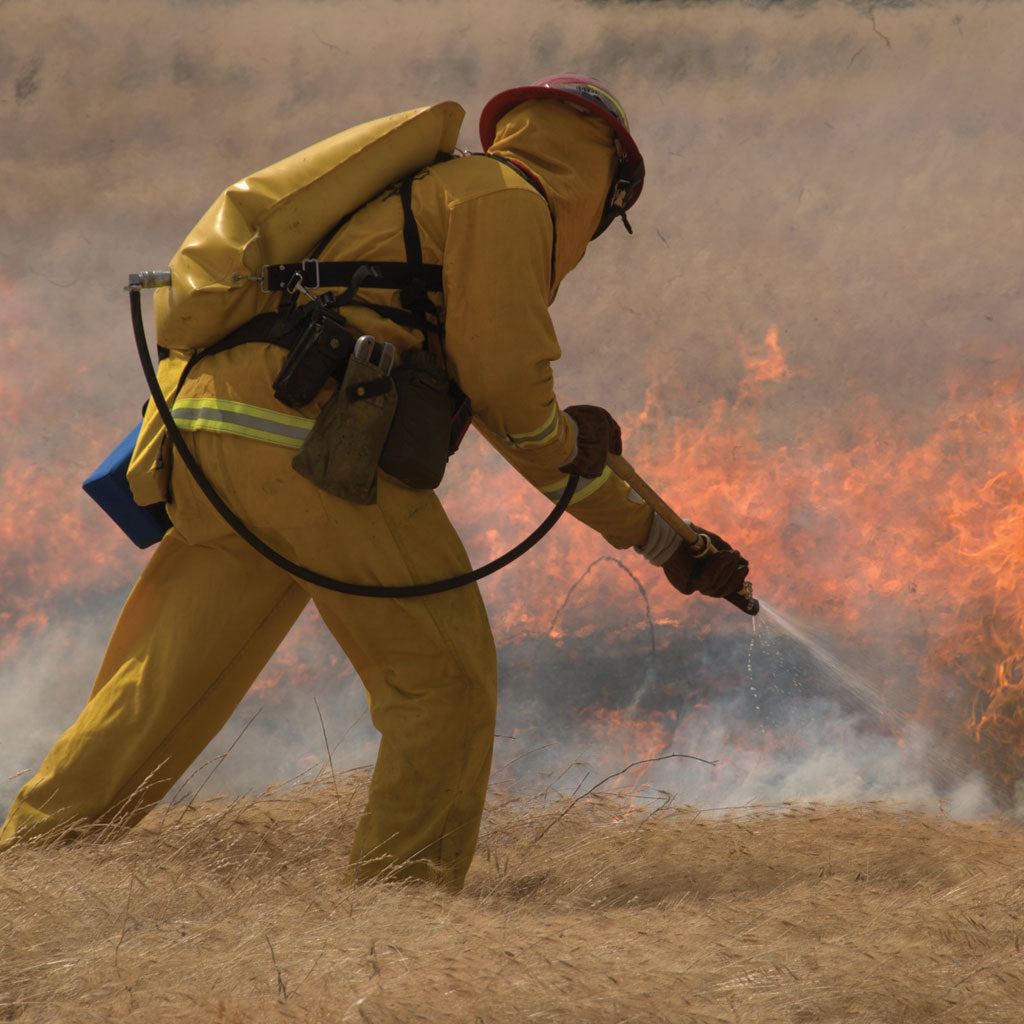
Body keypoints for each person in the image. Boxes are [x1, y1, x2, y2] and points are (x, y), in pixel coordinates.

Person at [1, 75, 749, 890]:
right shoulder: (505, 201)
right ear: (607, 177)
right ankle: (400, 916)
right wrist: (635, 514)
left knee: (159, 690)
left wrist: (672, 537)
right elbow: (519, 410)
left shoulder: (439, 192)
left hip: (215, 433)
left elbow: (505, 399)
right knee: (446, 686)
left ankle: (27, 869)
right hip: (317, 447)